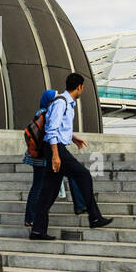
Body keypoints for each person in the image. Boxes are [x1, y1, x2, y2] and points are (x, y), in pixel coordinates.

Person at [30, 73, 112, 240]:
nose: (83, 90)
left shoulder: (65, 102)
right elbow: (52, 129)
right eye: (83, 88)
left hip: (56, 147)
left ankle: (38, 231)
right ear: (79, 87)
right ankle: (94, 217)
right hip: (55, 148)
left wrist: (73, 138)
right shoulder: (62, 102)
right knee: (83, 175)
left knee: (49, 192)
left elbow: (59, 126)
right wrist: (55, 155)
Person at [23, 90, 86, 227]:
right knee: (74, 173)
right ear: (51, 100)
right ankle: (80, 205)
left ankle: (30, 218)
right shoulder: (49, 112)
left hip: (36, 156)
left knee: (37, 186)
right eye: (56, 96)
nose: (59, 98)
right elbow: (53, 130)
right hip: (47, 155)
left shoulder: (40, 113)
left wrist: (73, 138)